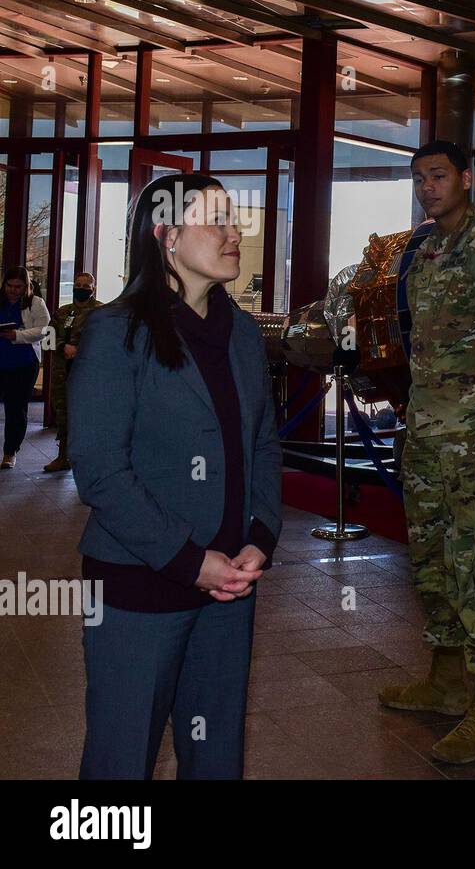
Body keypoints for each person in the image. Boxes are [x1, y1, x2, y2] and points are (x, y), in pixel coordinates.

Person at [69, 173, 282, 779]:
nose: (233, 231)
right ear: (165, 235)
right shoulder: (119, 331)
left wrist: (258, 539)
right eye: (215, 218)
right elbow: (102, 471)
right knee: (122, 754)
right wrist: (191, 562)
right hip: (140, 581)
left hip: (231, 584)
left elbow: (263, 444)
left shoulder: (240, 332)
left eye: (233, 218)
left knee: (215, 753)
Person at [378, 140, 475, 767]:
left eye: (437, 176)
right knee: (430, 558)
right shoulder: (424, 249)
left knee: (473, 568)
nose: (426, 187)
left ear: (467, 177)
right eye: (418, 179)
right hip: (427, 429)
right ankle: (442, 679)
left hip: (474, 438)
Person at [43, 271, 103, 472]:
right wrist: (63, 347)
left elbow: (108, 342)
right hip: (62, 373)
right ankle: (62, 457)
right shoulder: (62, 312)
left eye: (87, 285)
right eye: (78, 284)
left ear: (93, 288)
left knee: (88, 417)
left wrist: (81, 350)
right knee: (63, 414)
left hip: (89, 374)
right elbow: (48, 337)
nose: (82, 288)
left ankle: (90, 460)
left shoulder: (102, 312)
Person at [0, 266, 51, 470]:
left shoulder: (35, 303)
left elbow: (45, 329)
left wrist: (18, 335)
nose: (13, 290)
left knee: (15, 409)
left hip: (23, 362)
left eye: (18, 287)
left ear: (26, 286)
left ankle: (10, 452)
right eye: (9, 286)